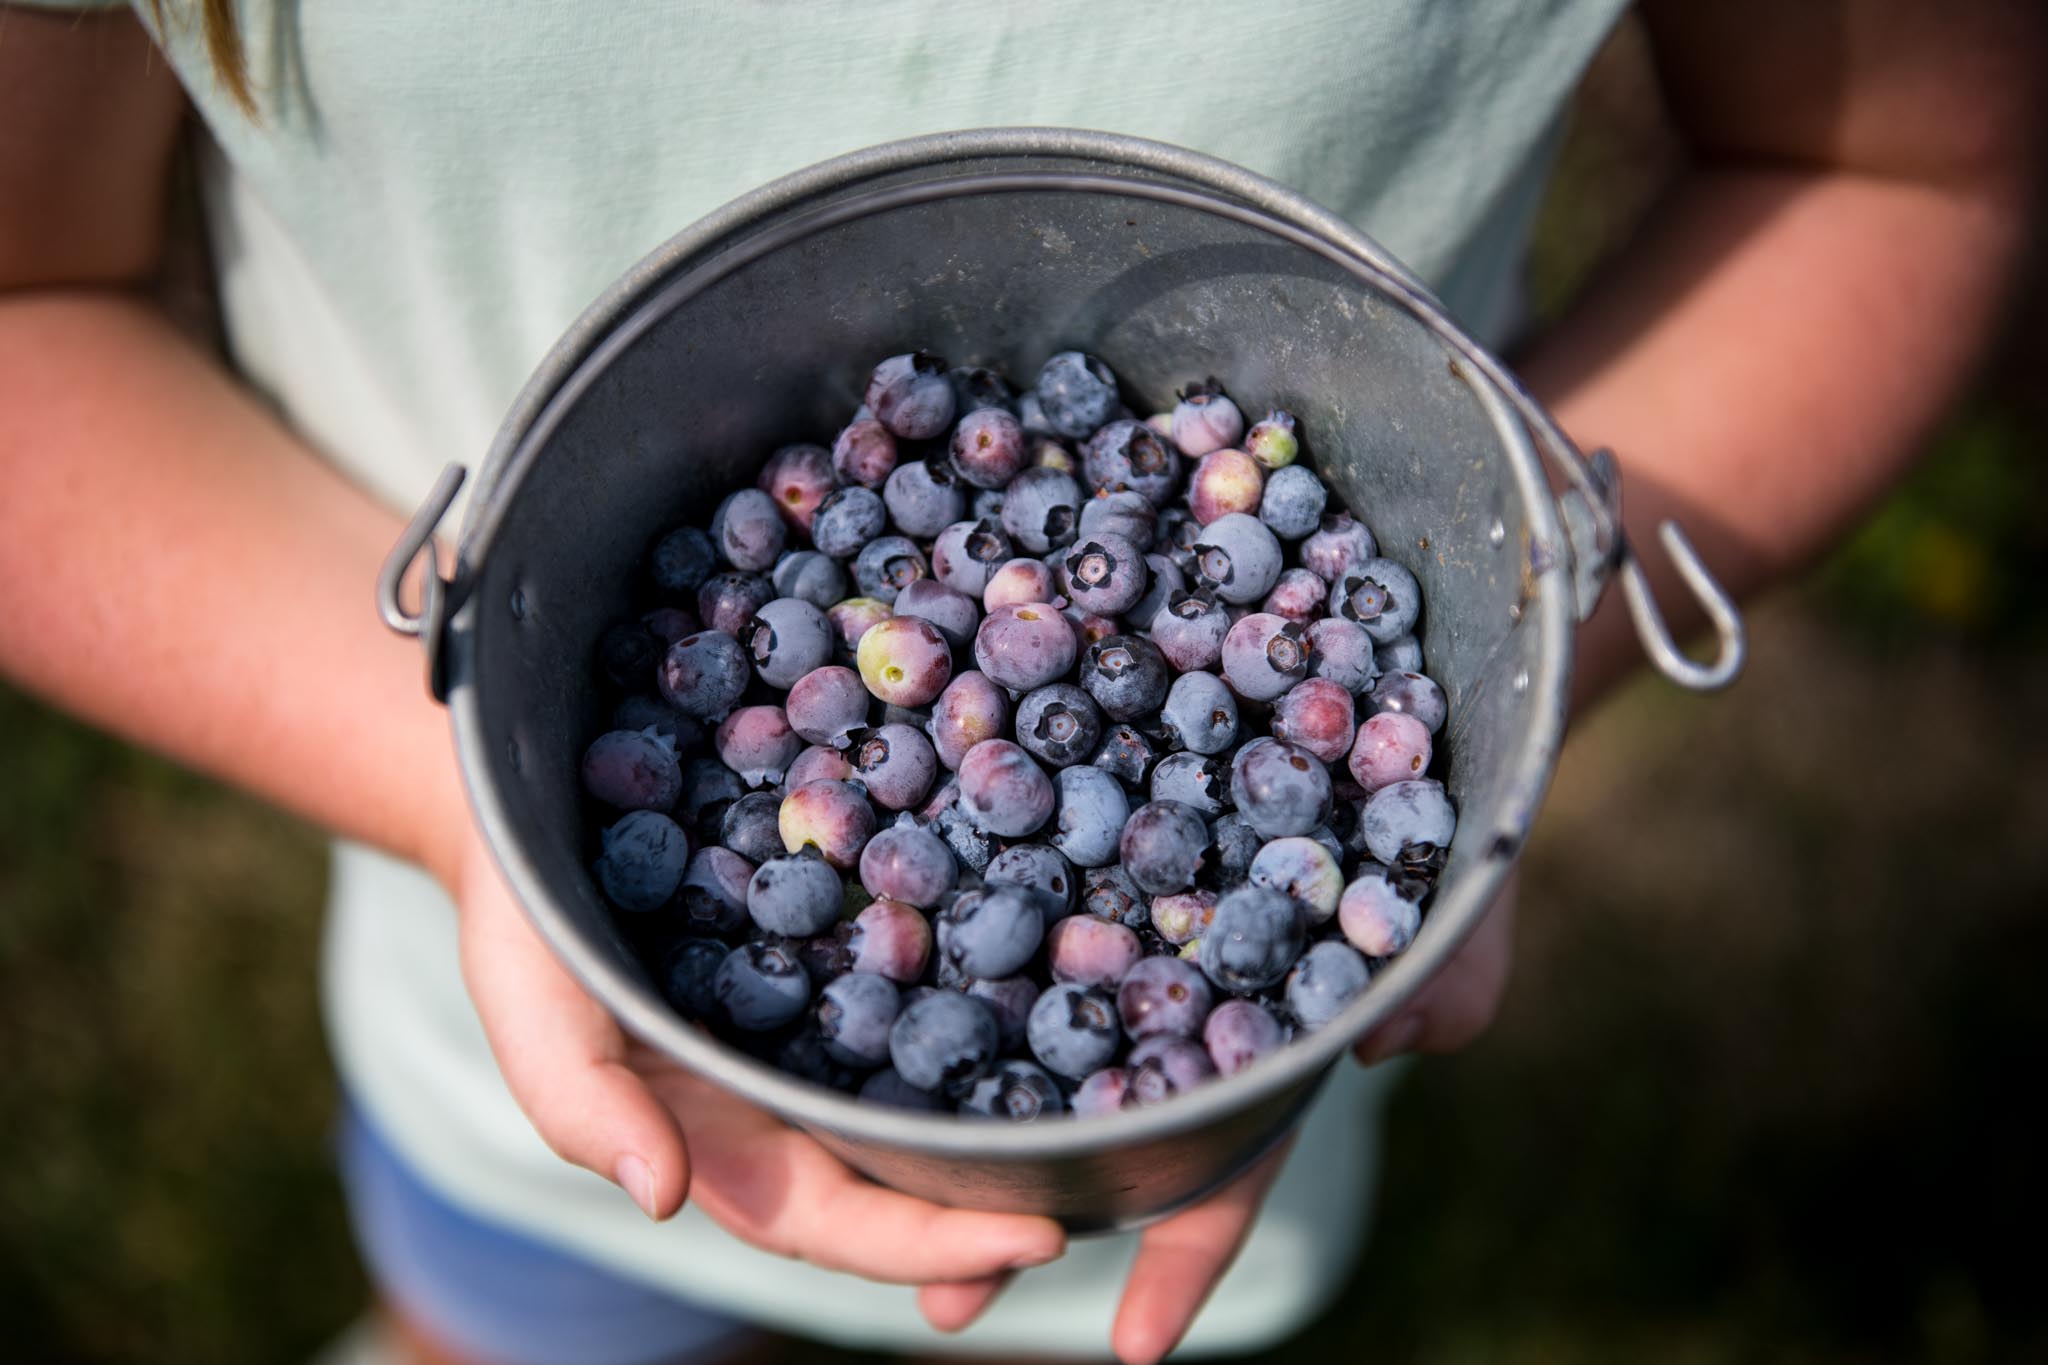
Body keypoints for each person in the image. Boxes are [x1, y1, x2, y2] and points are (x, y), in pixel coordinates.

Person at [1, 2, 2037, 1363]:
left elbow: (1905, 158)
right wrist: (455, 785)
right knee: (511, 1307)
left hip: (1208, 1131)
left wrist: (1547, 632)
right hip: (502, 1044)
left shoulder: (1129, 763)